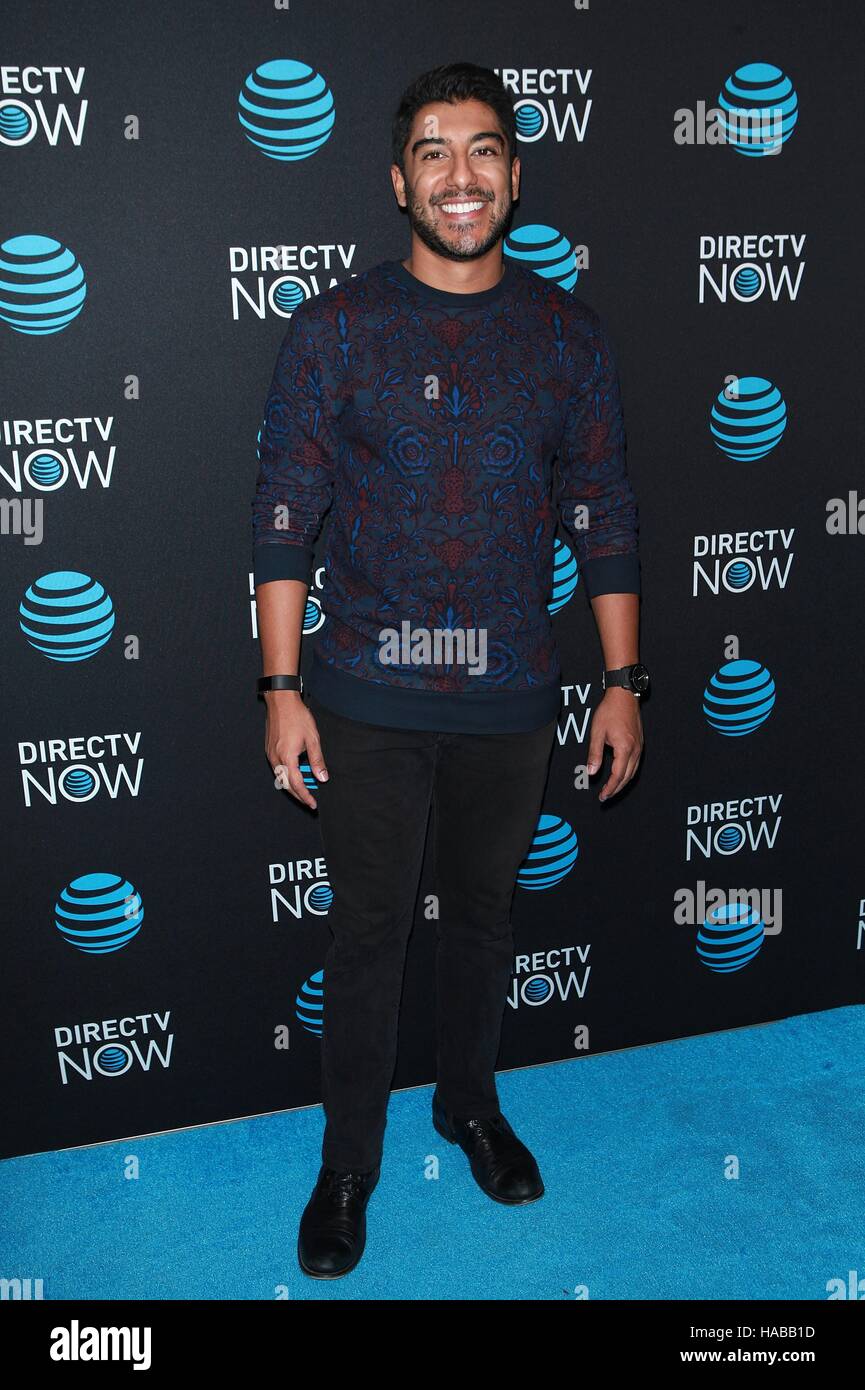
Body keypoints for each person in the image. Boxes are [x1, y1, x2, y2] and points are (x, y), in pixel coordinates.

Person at [251, 61, 648, 1280]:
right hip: (365, 692)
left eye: (484, 150)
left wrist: (624, 678)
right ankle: (348, 1163)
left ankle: (468, 1105)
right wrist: (279, 692)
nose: (460, 175)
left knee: (482, 920)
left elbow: (604, 511)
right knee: (369, 934)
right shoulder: (334, 330)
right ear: (397, 178)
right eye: (434, 151)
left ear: (515, 176)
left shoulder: (567, 333)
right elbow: (282, 518)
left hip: (513, 693)